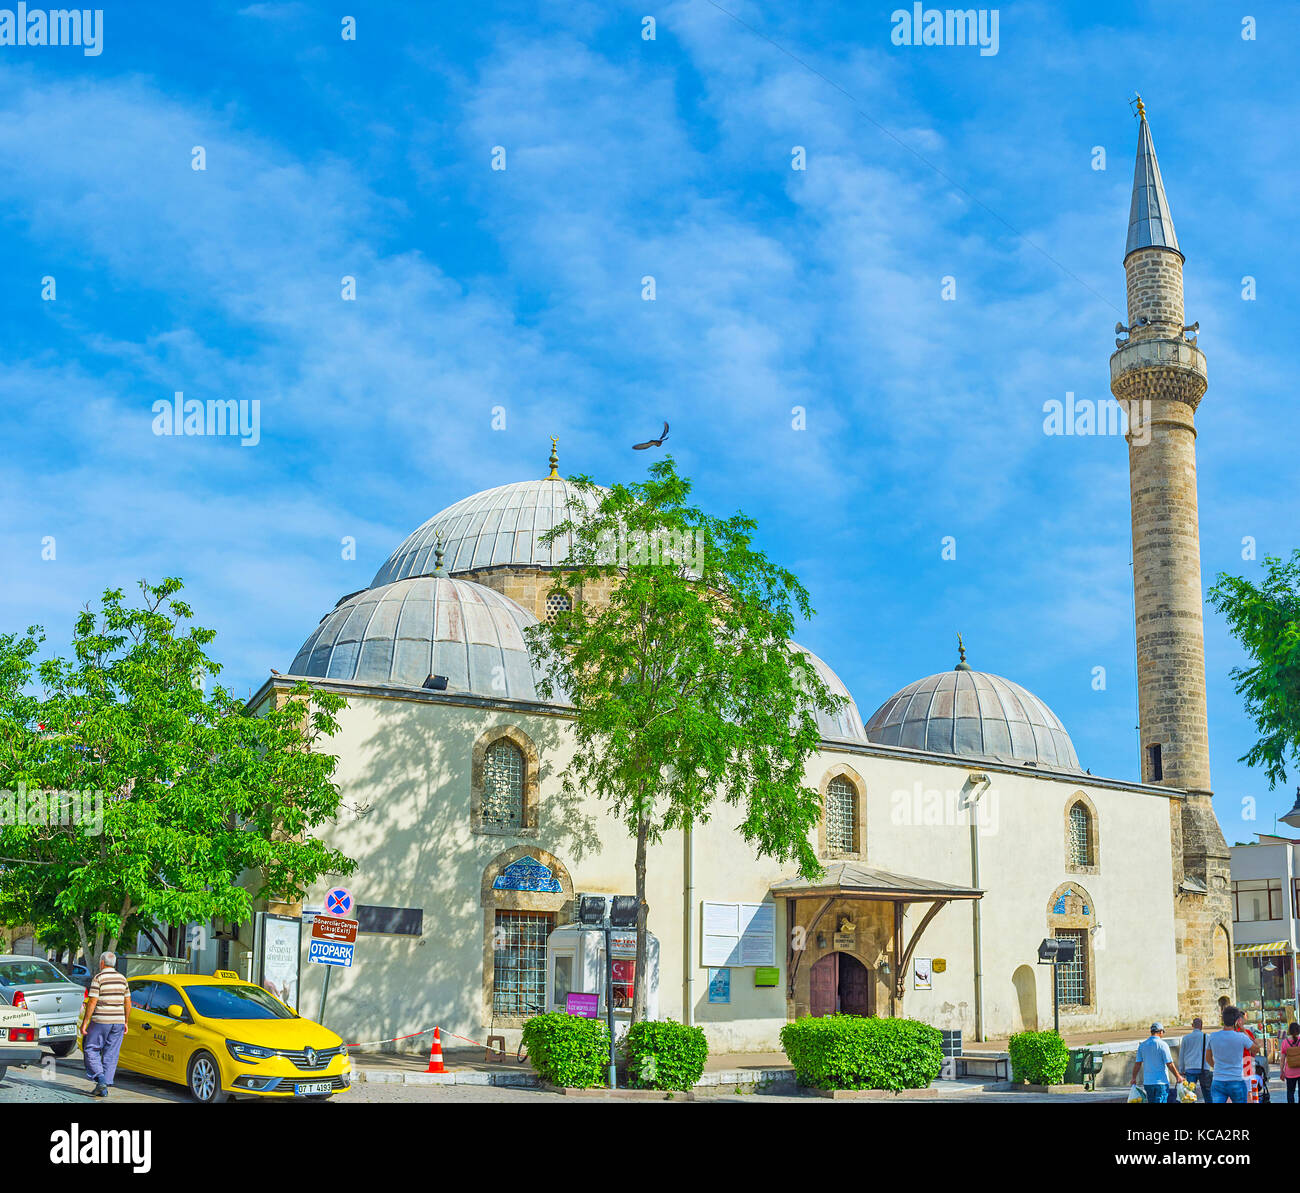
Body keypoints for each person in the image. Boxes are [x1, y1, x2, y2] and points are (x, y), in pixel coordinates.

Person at [79, 950, 131, 1098]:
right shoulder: (123, 979)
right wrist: (126, 1021)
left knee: (90, 1048)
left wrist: (85, 1023)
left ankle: (100, 1079)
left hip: (101, 1020)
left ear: (102, 963)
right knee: (111, 1053)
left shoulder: (98, 978)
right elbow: (128, 1002)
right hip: (118, 1021)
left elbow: (92, 1002)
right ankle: (104, 1086)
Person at [1204, 1004, 1259, 1104]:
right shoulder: (1241, 1037)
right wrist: (1244, 1032)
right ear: (1237, 1021)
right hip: (1236, 1079)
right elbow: (1256, 1049)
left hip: (1218, 1079)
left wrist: (1216, 1066)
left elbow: (1207, 1057)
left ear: (1223, 1020)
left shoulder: (1212, 1036)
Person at [1132, 1022, 1183, 1104]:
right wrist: (1178, 1076)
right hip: (1161, 1082)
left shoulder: (1142, 1045)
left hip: (1148, 1082)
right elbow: (1169, 1063)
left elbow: (1138, 1064)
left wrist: (1133, 1078)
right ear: (1160, 1032)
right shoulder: (1163, 1045)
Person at [1179, 1017, 1210, 1104]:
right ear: (1201, 1026)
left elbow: (1181, 1055)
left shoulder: (1186, 1038)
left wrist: (1181, 1070)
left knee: (1189, 1093)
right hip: (1204, 1068)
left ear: (1192, 1026)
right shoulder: (1207, 1037)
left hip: (1190, 1068)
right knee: (1207, 1093)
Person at [1281, 1022, 1300, 1104]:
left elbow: (1282, 1059)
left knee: (1290, 1093)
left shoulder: (1285, 1042)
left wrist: (1282, 1071)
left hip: (1290, 1072)